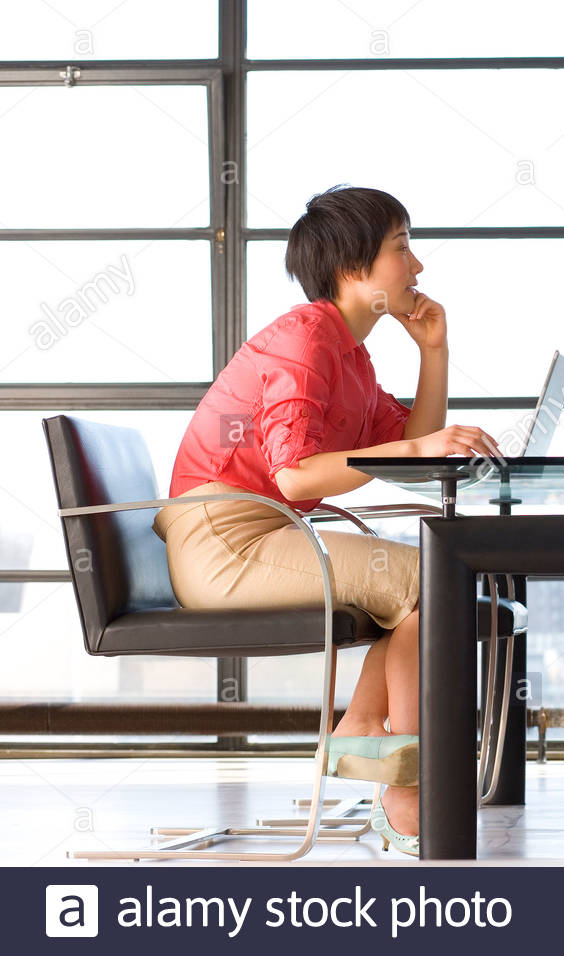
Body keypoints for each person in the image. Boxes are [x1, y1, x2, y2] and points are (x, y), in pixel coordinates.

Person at [153, 186, 500, 856]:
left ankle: (366, 730)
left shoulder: (351, 355)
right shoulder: (303, 340)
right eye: (402, 247)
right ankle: (400, 789)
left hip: (260, 533)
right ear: (354, 264)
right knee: (434, 580)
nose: (418, 267)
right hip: (223, 541)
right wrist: (415, 448)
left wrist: (434, 352)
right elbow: (297, 476)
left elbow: (412, 449)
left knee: (434, 581)